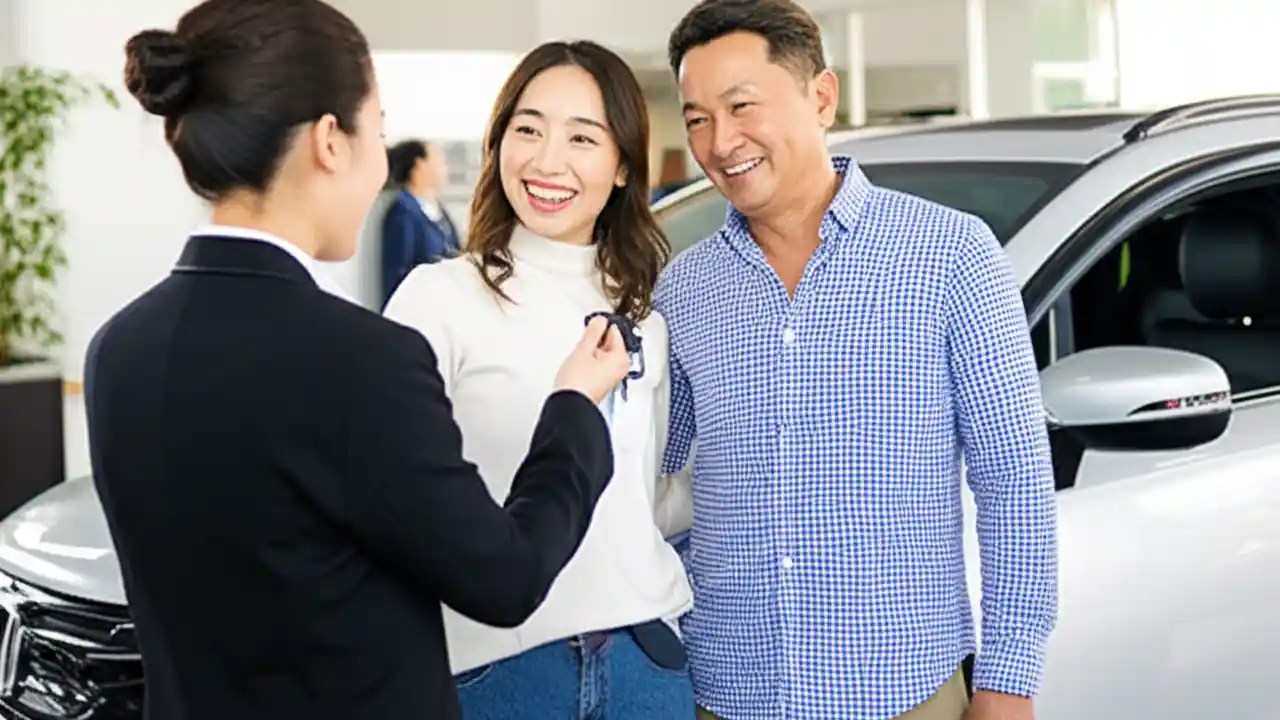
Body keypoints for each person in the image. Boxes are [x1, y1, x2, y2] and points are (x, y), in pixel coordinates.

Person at [84, 2, 630, 719]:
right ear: (329, 142)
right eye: (378, 128)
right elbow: (506, 578)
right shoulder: (363, 360)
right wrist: (574, 410)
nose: (382, 162)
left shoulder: (118, 349)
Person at [656, 1, 1059, 719]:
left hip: (903, 690)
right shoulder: (684, 289)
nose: (720, 141)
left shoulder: (951, 256)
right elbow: (654, 483)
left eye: (742, 105)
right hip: (727, 693)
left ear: (821, 97)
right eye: (696, 119)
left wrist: (1007, 678)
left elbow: (1015, 480)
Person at [383, 40, 696, 719]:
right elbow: (396, 502)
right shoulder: (437, 297)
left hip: (645, 670)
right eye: (527, 129)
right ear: (497, 146)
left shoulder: (647, 312)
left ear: (621, 166)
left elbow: (647, 503)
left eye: (583, 138)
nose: (547, 160)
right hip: (498, 674)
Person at [381, 138, 461, 305]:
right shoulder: (403, 212)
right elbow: (397, 274)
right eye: (439, 161)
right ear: (419, 166)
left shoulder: (438, 210)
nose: (444, 168)